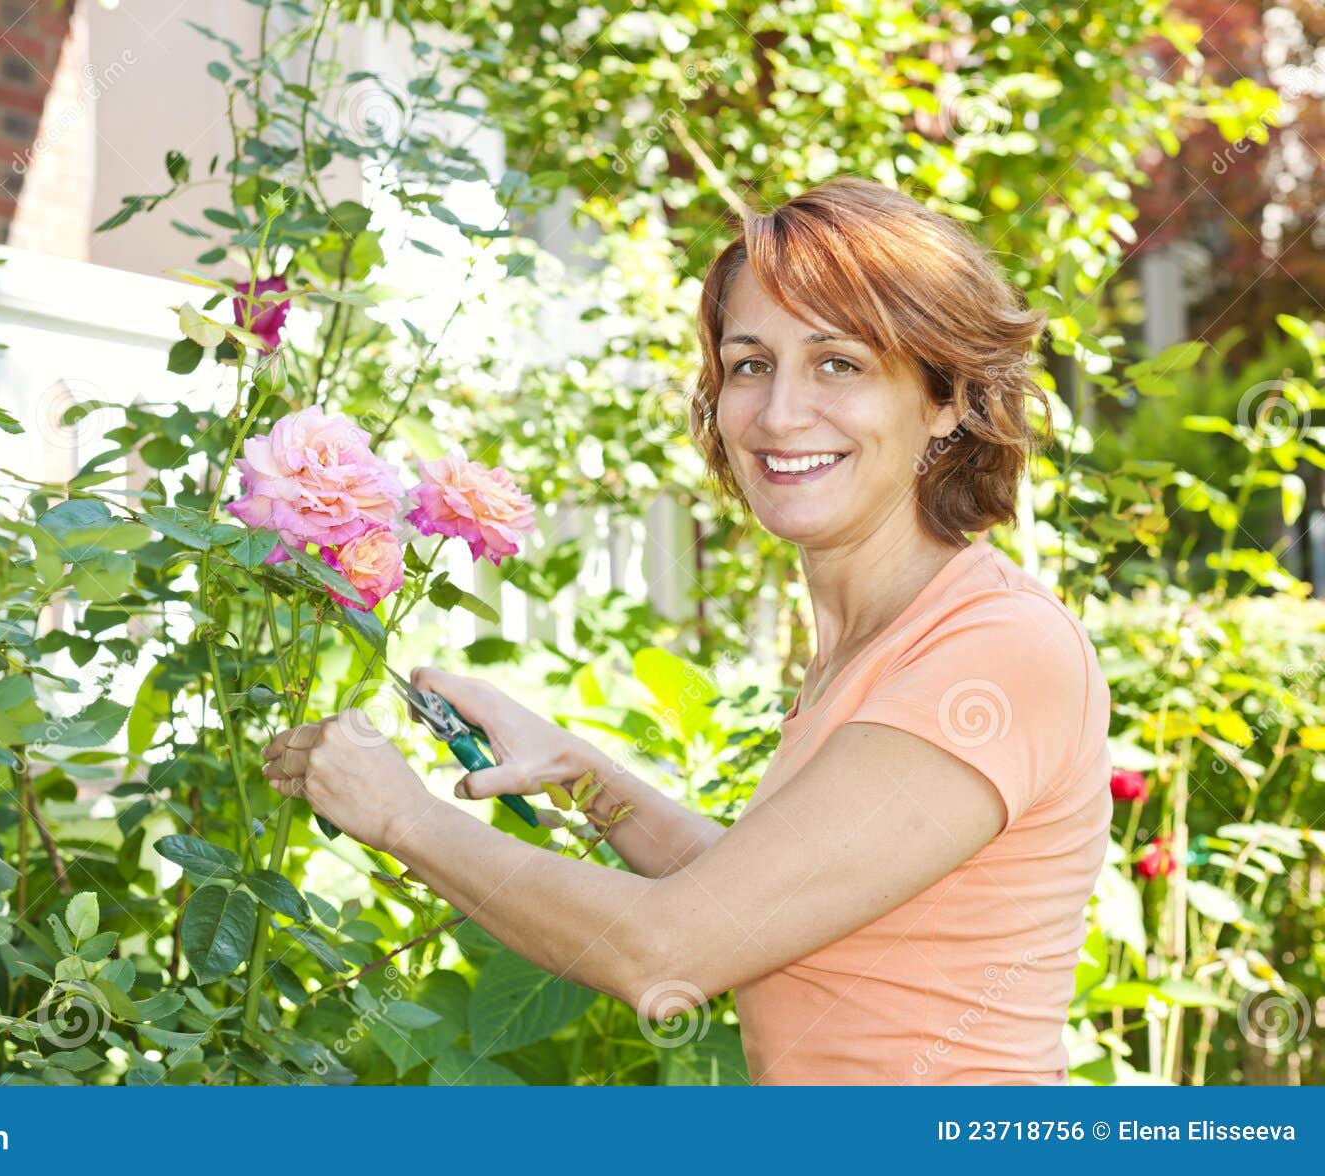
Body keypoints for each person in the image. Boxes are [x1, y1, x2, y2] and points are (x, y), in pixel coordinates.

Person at [261, 176, 1113, 1085]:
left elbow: (669, 953)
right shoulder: (879, 639)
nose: (780, 413)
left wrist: (402, 816)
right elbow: (767, 902)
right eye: (751, 363)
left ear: (944, 398)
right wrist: (583, 774)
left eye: (839, 363)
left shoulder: (995, 652)